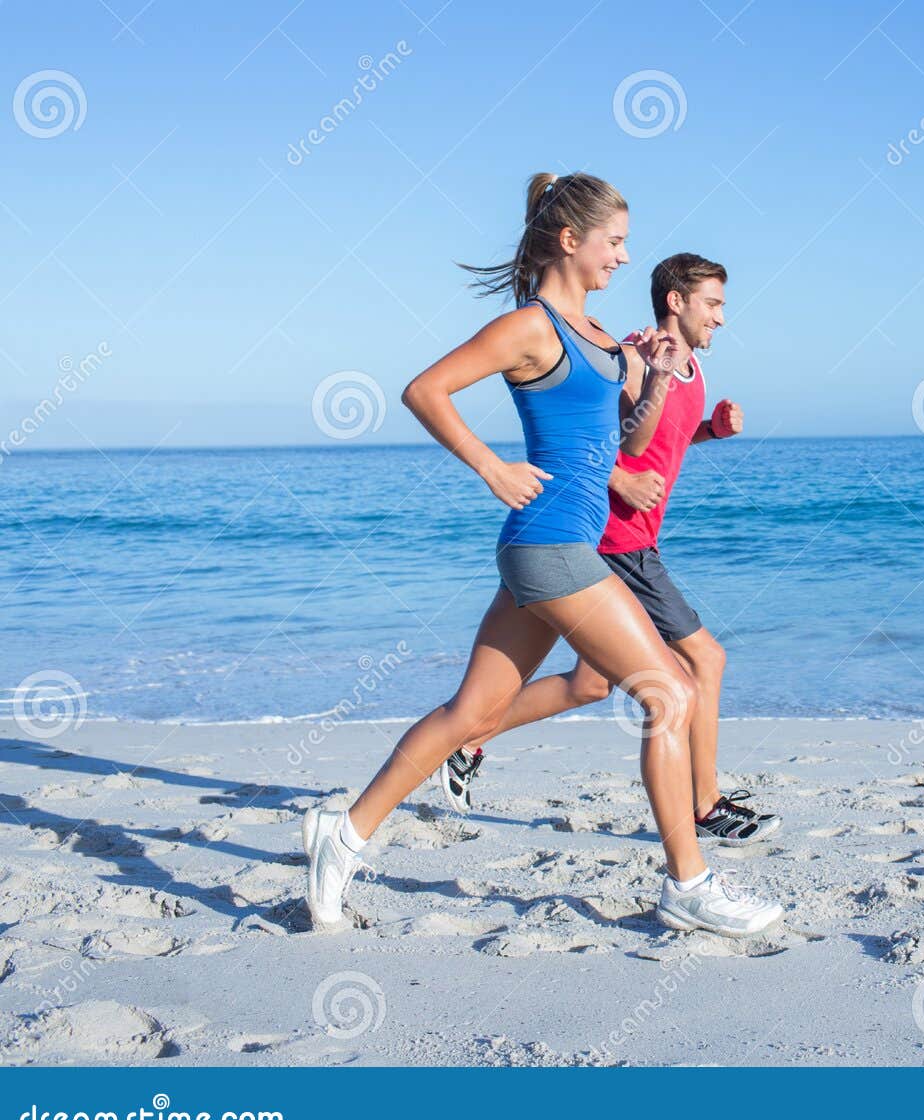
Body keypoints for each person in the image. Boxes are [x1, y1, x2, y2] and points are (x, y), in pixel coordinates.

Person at [301, 172, 783, 939]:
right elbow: (426, 390)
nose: (625, 258)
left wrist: (655, 378)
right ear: (571, 241)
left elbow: (620, 449)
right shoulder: (532, 328)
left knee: (473, 712)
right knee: (671, 692)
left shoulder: (602, 341)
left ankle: (345, 832)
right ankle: (689, 882)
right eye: (615, 242)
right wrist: (492, 468)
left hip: (552, 547)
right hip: (551, 546)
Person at [433, 253, 780, 847]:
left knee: (587, 686)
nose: (722, 318)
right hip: (617, 540)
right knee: (706, 660)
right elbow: (596, 441)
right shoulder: (634, 357)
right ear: (677, 301)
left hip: (625, 541)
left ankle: (465, 740)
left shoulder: (687, 369)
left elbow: (656, 442)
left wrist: (710, 432)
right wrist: (619, 482)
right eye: (713, 304)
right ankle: (705, 804)